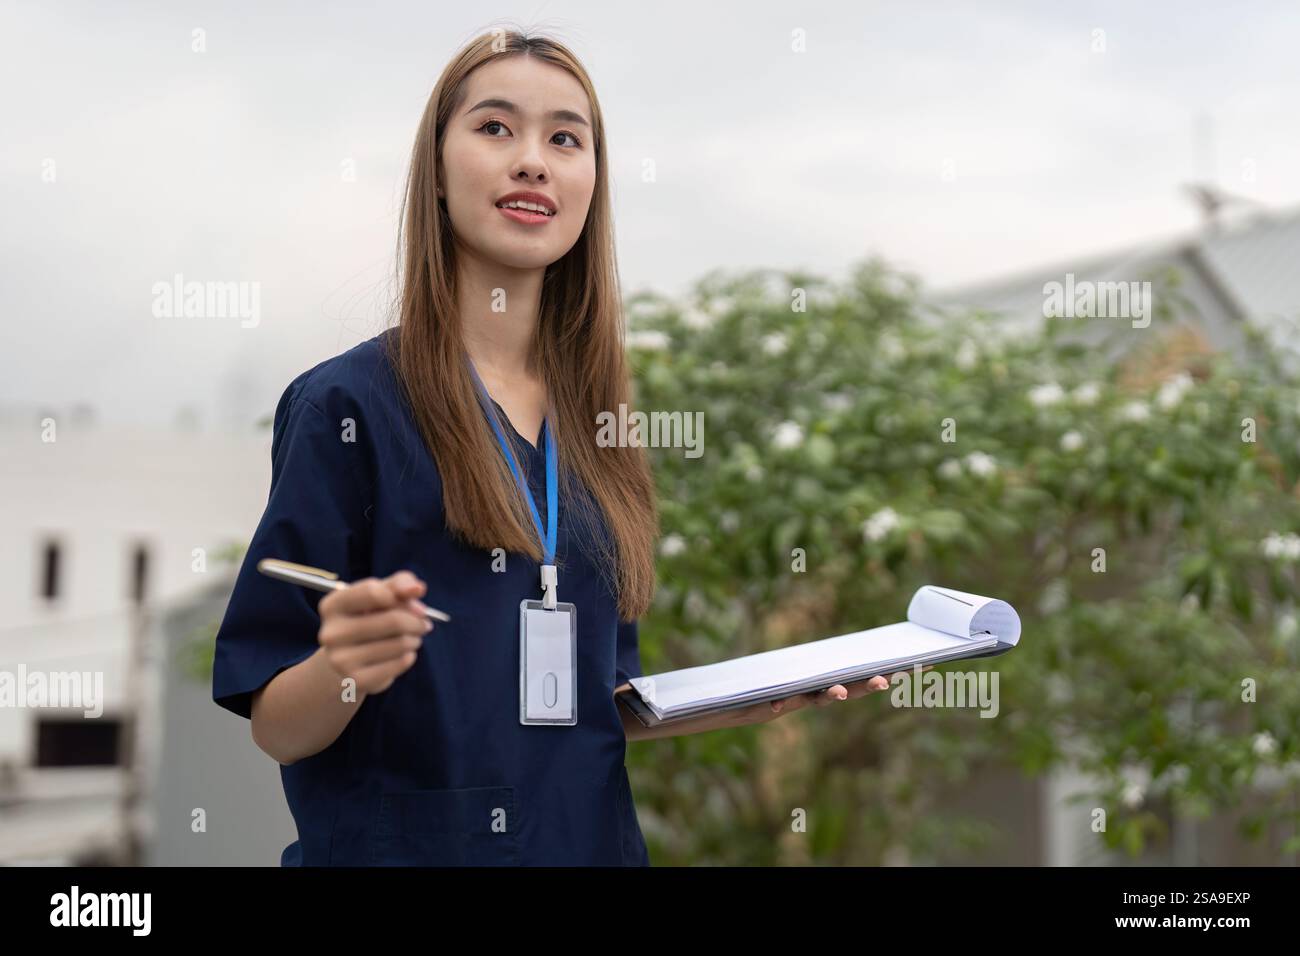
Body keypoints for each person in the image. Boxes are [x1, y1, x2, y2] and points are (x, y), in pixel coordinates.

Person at [212, 28, 889, 867]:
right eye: (495, 128)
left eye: (565, 138)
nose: (533, 161)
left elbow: (588, 703)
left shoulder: (601, 427)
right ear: (436, 172)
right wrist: (347, 664)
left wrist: (745, 702)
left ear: (591, 183)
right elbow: (278, 726)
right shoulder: (346, 407)